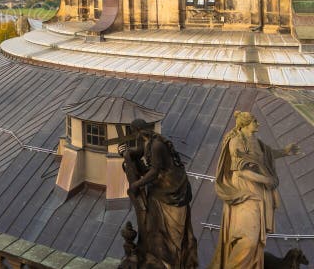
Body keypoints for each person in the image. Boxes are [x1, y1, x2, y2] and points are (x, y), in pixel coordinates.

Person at [210, 111, 300, 268]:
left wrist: (285, 152)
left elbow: (267, 154)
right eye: (255, 121)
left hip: (258, 193)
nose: (258, 124)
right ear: (245, 123)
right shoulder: (236, 141)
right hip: (244, 192)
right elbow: (240, 170)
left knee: (256, 242)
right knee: (249, 240)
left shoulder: (256, 141)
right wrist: (266, 179)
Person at [120, 119, 197, 268]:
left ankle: (172, 260)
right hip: (159, 188)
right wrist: (125, 152)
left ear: (138, 131)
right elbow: (138, 152)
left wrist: (136, 184)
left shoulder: (156, 145)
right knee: (155, 224)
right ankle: (158, 254)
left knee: (172, 231)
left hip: (171, 188)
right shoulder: (146, 141)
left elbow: (154, 171)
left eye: (134, 132)